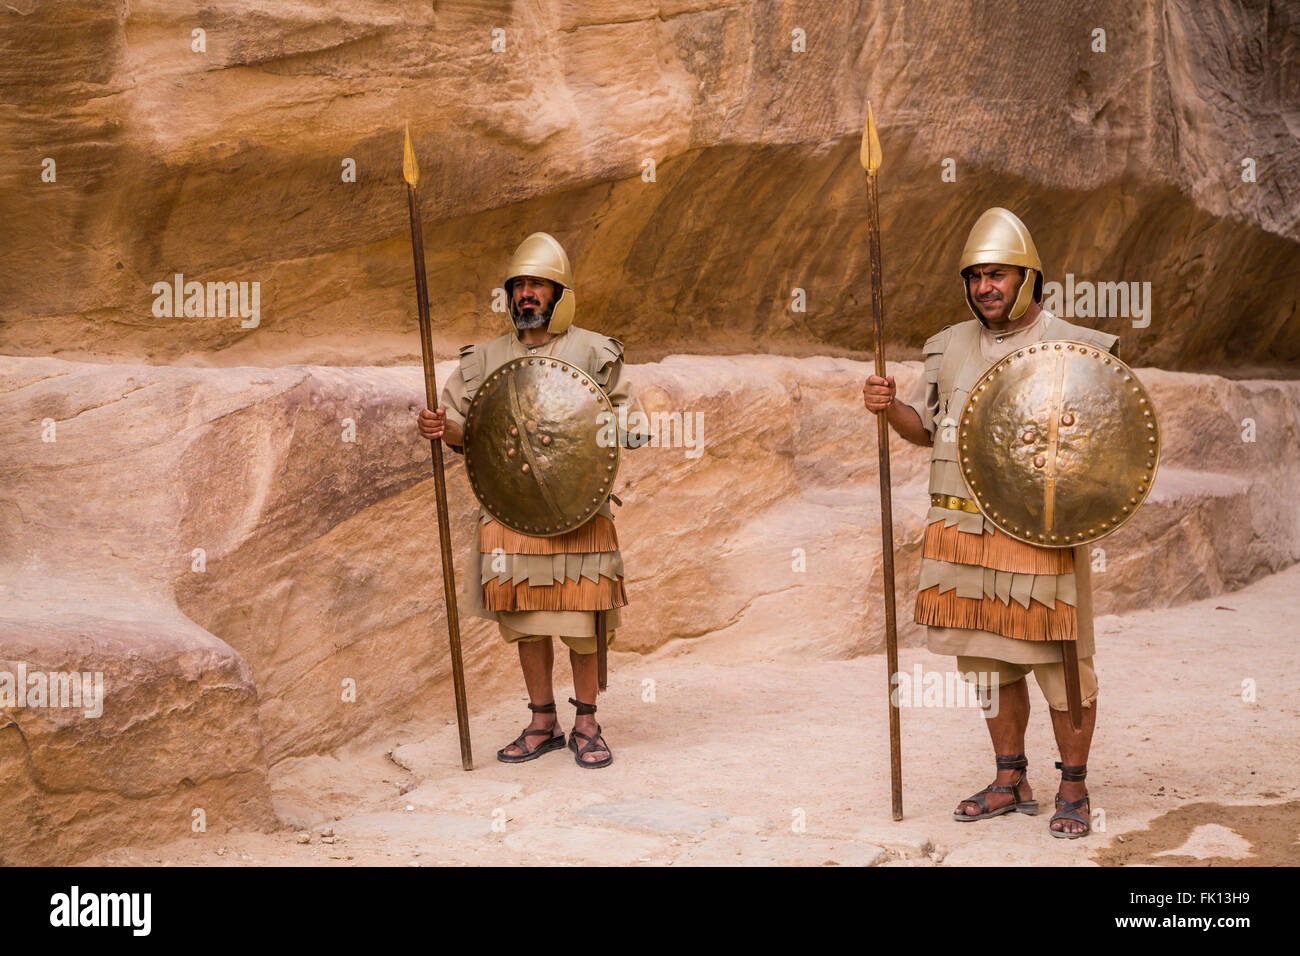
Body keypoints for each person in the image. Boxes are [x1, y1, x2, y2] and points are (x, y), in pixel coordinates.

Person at [863, 207, 1118, 837]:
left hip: (1040, 532)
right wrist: (890, 406)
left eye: (998, 275)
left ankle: (1074, 790)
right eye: (975, 277)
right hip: (962, 535)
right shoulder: (948, 346)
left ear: (1028, 276)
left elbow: (1106, 444)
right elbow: (926, 432)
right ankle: (1010, 778)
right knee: (987, 661)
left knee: (1061, 662)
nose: (985, 288)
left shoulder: (1074, 345)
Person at [417, 232, 646, 768]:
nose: (526, 294)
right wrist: (440, 426)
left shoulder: (594, 351)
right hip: (511, 510)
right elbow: (462, 430)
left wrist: (608, 431)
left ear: (560, 293)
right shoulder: (484, 359)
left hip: (578, 511)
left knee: (583, 617)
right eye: (519, 285)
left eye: (537, 284)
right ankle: (543, 720)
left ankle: (586, 721)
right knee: (526, 615)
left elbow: (626, 421)